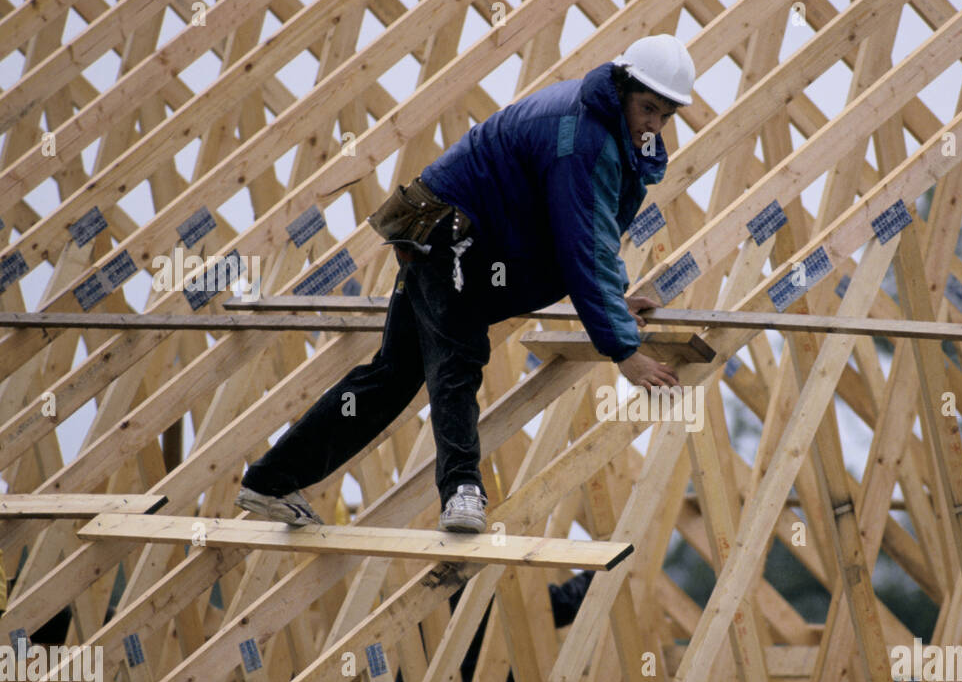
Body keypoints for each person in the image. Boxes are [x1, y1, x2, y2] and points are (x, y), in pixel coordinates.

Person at [235, 36, 692, 532]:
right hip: (450, 235)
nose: (653, 125)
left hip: (450, 233)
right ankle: (461, 492)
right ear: (622, 89)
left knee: (392, 377)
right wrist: (624, 349)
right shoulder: (581, 137)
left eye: (664, 116)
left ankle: (271, 480)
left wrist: (612, 301)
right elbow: (582, 241)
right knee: (457, 357)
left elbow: (593, 230)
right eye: (648, 108)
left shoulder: (603, 130)